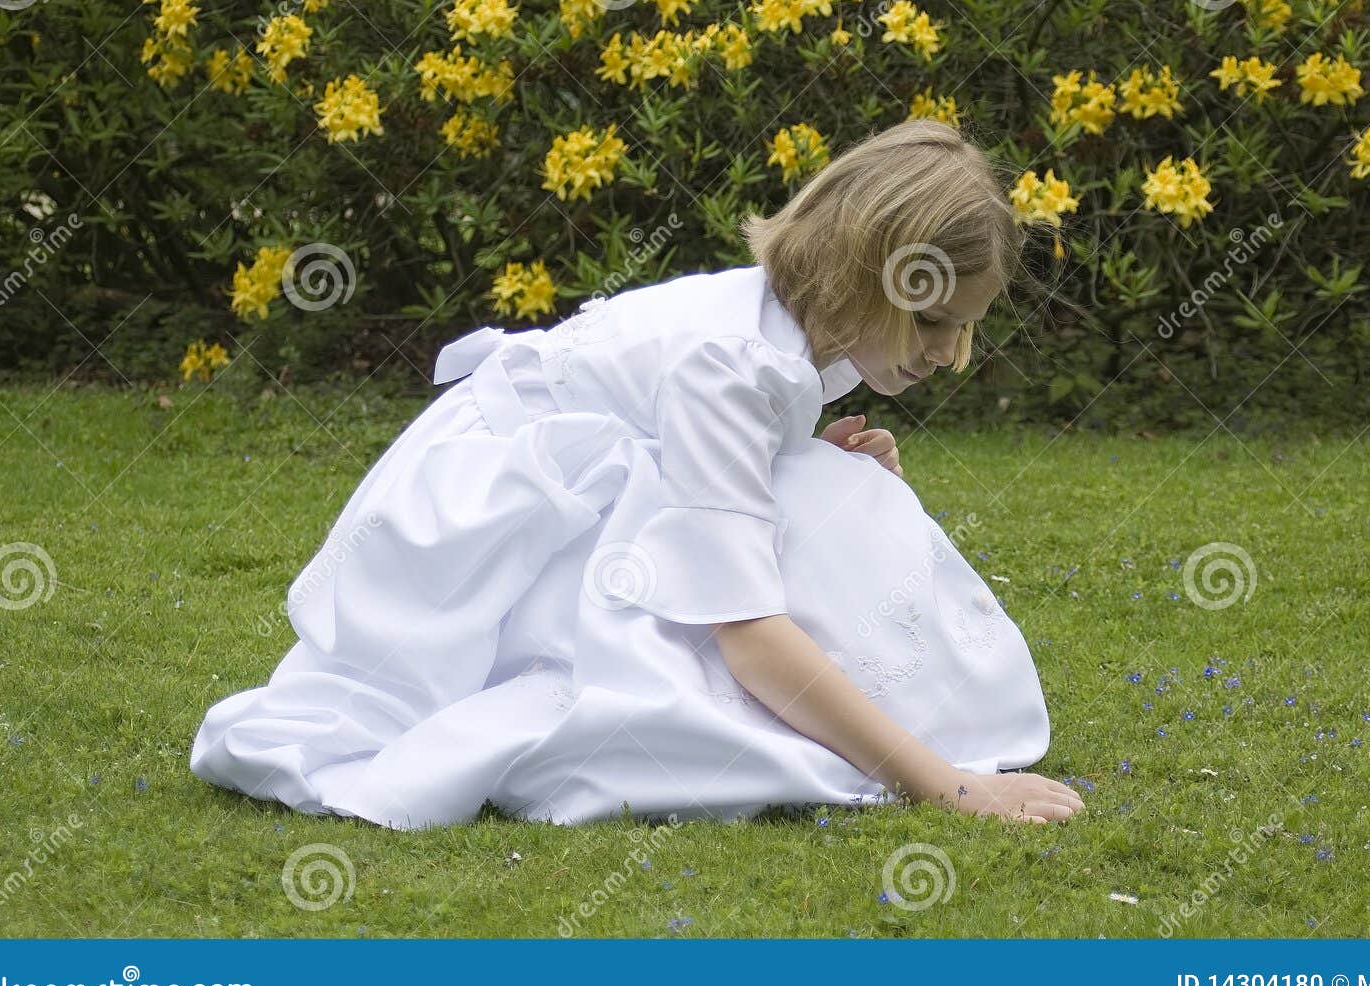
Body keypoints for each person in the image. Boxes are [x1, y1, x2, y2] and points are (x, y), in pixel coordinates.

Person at [190, 119, 1083, 829]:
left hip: (574, 479)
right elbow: (750, 634)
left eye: (966, 325)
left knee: (837, 496)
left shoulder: (810, 333)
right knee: (652, 687)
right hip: (487, 513)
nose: (954, 355)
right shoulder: (732, 365)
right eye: (935, 324)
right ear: (869, 277)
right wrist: (943, 786)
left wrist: (806, 466)